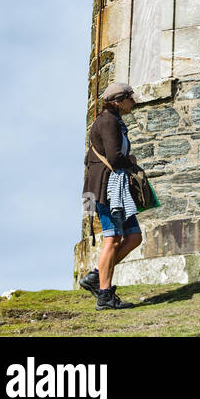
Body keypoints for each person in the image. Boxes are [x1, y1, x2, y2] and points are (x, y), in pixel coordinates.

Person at [80, 81, 142, 310]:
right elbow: (115, 158)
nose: (133, 101)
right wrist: (132, 161)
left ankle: (97, 276)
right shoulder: (107, 121)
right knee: (113, 239)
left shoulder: (114, 121)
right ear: (118, 102)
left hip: (114, 189)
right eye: (130, 98)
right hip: (105, 189)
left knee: (134, 237)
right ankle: (105, 295)